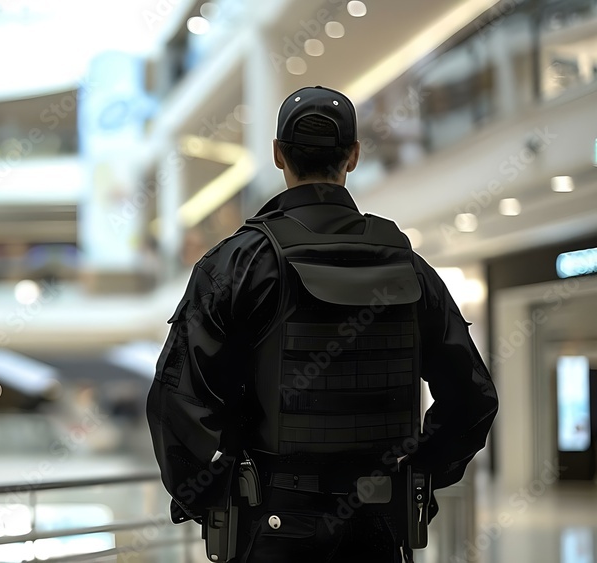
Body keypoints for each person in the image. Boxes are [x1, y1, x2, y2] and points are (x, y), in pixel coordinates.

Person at [146, 86, 498, 563]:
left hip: (267, 526)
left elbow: (176, 403)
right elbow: (472, 399)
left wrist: (211, 496)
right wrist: (419, 476)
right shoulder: (410, 268)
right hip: (377, 525)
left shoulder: (240, 263)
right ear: (353, 156)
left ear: (277, 155)